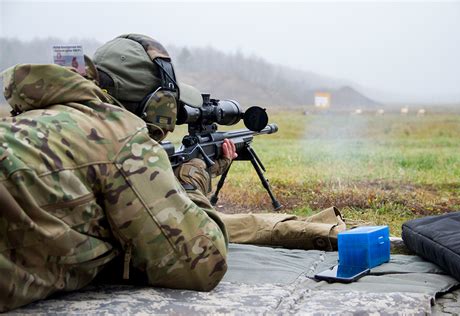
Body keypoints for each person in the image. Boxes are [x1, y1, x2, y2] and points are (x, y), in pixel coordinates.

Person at [0, 34, 345, 312]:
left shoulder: (20, 120)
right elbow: (200, 264)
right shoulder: (119, 136)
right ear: (155, 103)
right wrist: (194, 180)